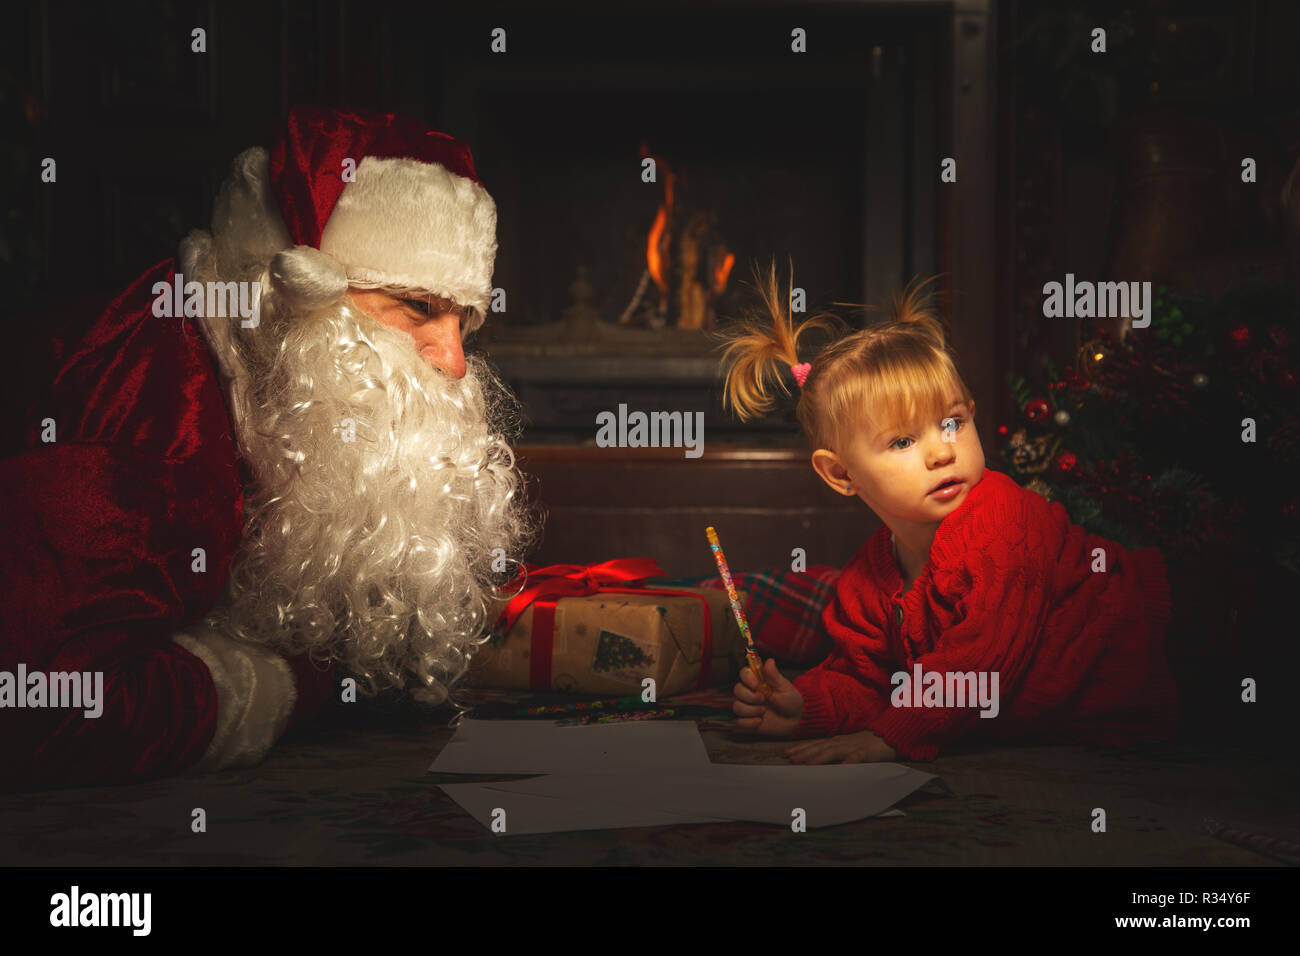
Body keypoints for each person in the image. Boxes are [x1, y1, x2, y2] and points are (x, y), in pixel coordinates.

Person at [0, 107, 537, 788]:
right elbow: (39, 713)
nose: (455, 363)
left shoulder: (272, 400)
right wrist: (279, 683)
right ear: (294, 294)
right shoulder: (152, 434)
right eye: (419, 308)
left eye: (465, 320)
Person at [718, 261, 1179, 763]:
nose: (941, 452)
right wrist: (805, 705)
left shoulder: (1000, 521)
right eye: (901, 440)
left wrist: (890, 736)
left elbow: (980, 658)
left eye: (951, 423)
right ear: (841, 475)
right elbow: (867, 680)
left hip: (1169, 641)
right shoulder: (867, 582)